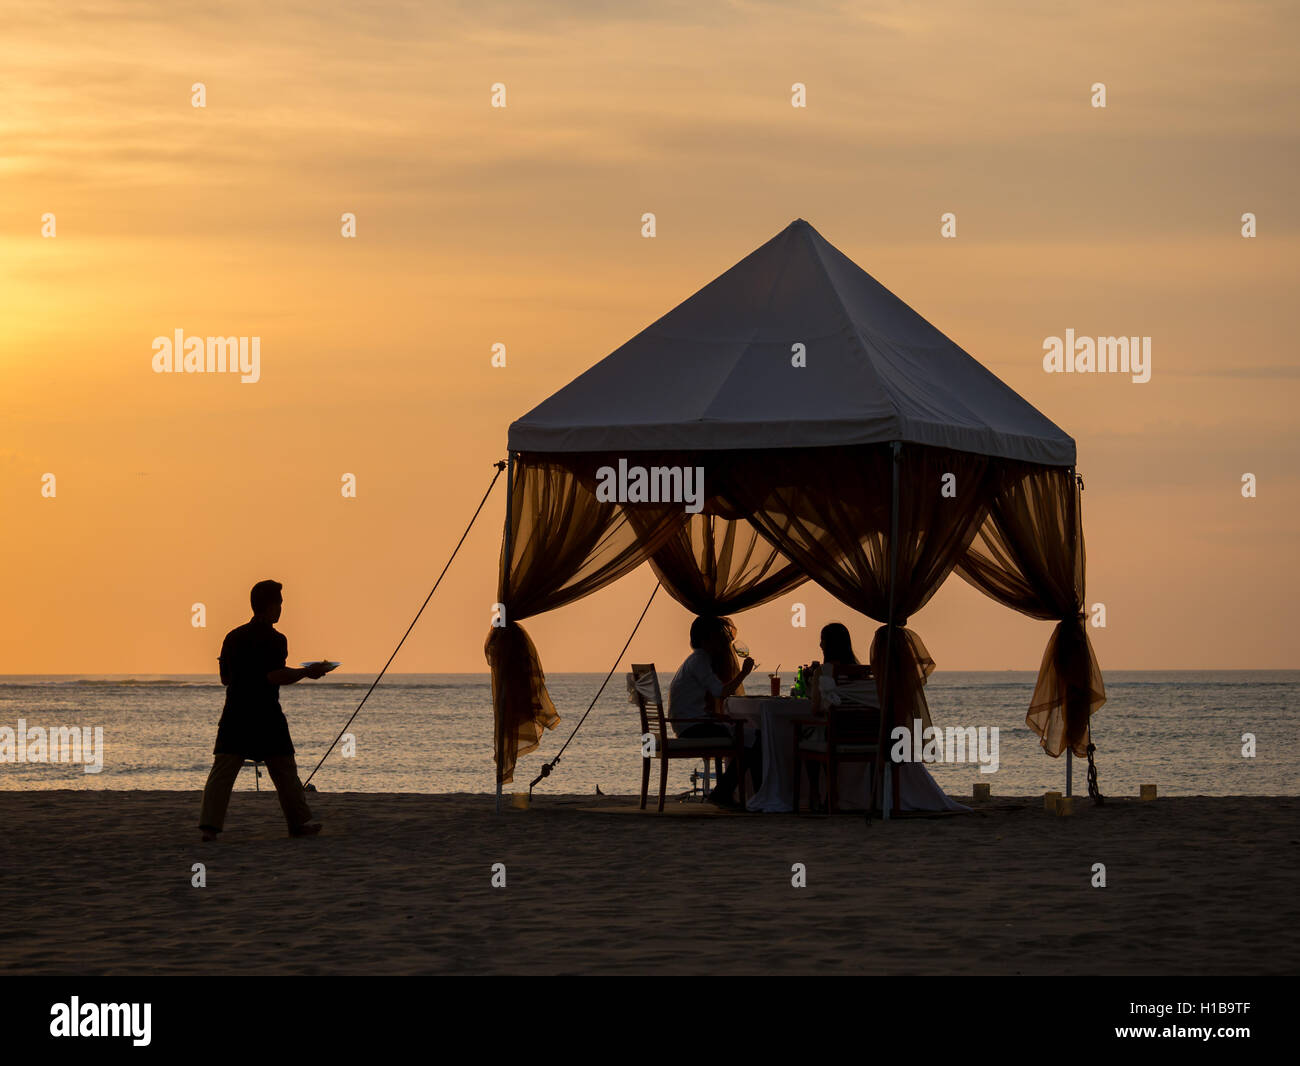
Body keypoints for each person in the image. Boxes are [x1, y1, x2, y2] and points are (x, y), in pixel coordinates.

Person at [198, 580, 331, 840]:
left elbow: (225, 678)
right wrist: (308, 672)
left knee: (222, 773)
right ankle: (298, 824)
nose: (281, 608)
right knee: (284, 770)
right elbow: (275, 676)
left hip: (235, 713)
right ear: (270, 606)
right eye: (279, 603)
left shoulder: (232, 637)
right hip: (266, 714)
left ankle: (209, 829)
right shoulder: (276, 639)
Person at [667, 615, 759, 809]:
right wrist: (744, 673)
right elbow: (721, 691)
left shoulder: (695, 660)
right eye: (719, 636)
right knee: (752, 738)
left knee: (749, 736)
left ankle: (730, 792)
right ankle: (728, 793)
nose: (723, 642)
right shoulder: (700, 660)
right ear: (706, 639)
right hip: (691, 727)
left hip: (688, 723)